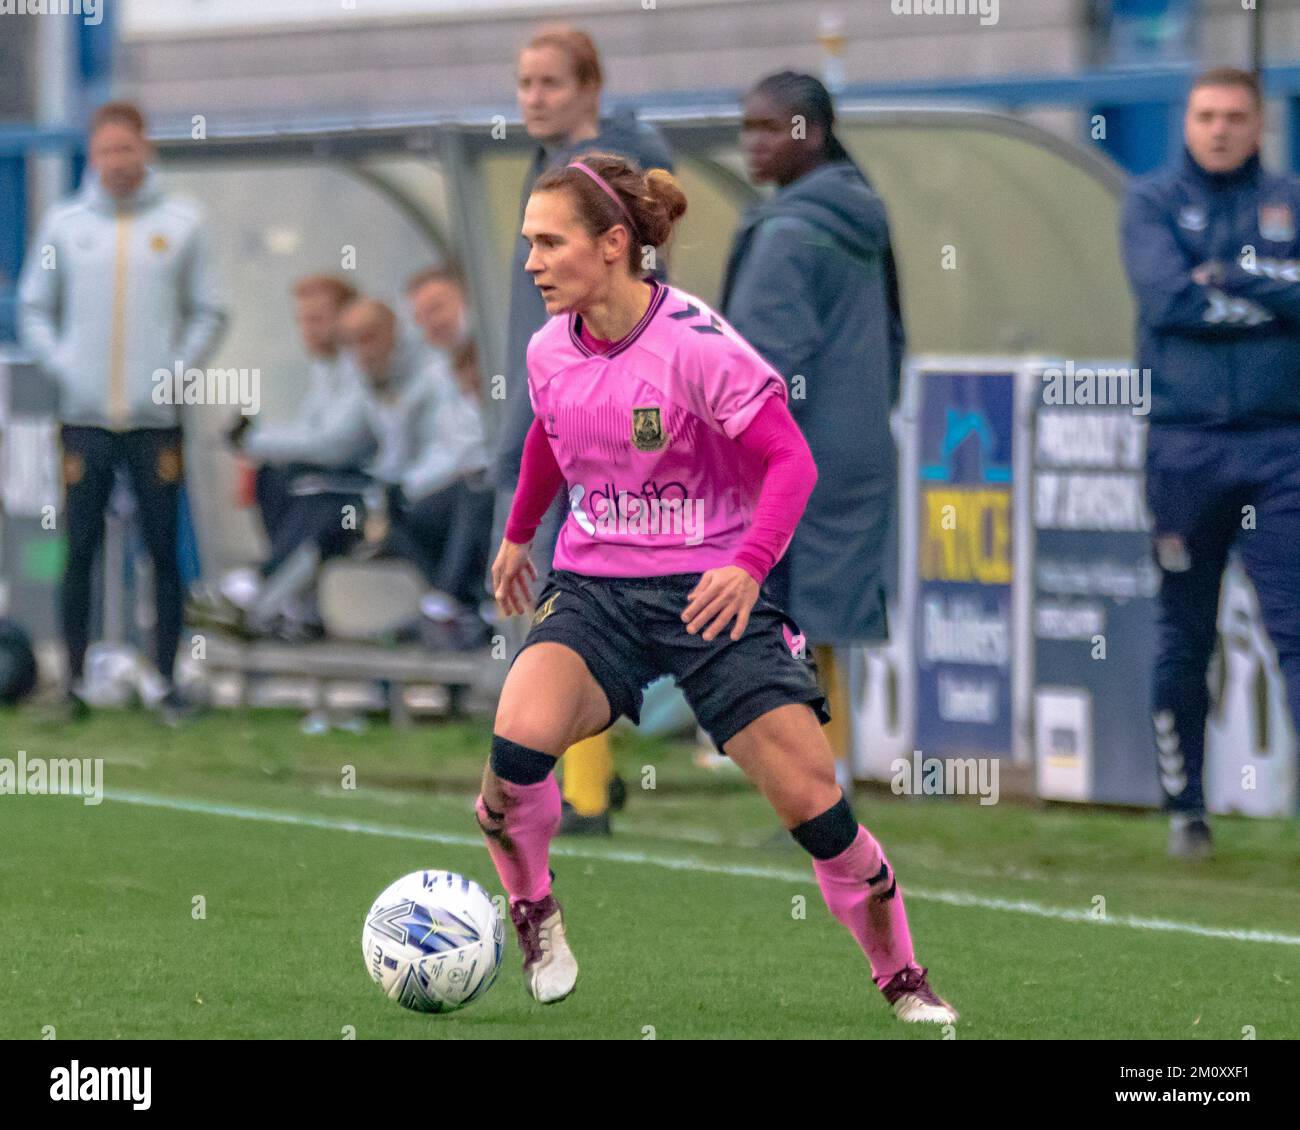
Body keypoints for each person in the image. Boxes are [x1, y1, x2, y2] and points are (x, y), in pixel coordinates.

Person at [477, 151, 956, 1024]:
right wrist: (517, 536)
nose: (532, 262)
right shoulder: (550, 348)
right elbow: (551, 434)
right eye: (528, 244)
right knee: (513, 753)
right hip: (599, 593)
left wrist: (746, 565)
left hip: (711, 595)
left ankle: (903, 977)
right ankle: (535, 909)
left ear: (614, 243)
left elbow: (790, 460)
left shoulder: (697, 345)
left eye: (549, 243)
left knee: (816, 810)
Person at [489, 25, 675, 835]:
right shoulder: (551, 172)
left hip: (600, 422)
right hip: (553, 411)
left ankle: (587, 797)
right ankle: (581, 789)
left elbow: (636, 303)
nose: (533, 97)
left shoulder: (612, 174)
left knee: (589, 601)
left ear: (590, 90)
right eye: (525, 83)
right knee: (571, 599)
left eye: (551, 84)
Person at [1120, 66, 1300, 859]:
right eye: (1205, 115)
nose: (1220, 128)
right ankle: (1185, 806)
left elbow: (1204, 301)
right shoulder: (1151, 202)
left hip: (1281, 448)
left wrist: (1227, 280)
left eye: (1235, 116)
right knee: (1183, 633)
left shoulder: (1290, 201)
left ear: (1259, 126)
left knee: (1293, 630)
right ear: (1185, 123)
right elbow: (1167, 302)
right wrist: (1272, 295)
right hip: (1185, 451)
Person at [720, 72, 905, 783]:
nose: (753, 145)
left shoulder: (789, 232)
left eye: (770, 129)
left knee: (789, 623)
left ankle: (814, 792)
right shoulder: (863, 218)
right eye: (748, 129)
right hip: (858, 445)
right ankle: (836, 780)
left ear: (812, 133)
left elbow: (761, 367)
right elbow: (894, 338)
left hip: (794, 455)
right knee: (829, 622)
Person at [18, 100, 227, 725]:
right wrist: (63, 366)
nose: (115, 162)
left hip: (155, 420)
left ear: (146, 150)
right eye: (105, 151)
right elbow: (34, 307)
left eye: (125, 149)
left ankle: (166, 681)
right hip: (82, 418)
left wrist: (175, 373)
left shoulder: (182, 224)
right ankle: (74, 680)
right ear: (93, 154)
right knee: (77, 549)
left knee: (163, 550)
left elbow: (209, 310)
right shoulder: (65, 225)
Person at [221, 274, 372, 626]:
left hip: (366, 492)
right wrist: (258, 444)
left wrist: (254, 441)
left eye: (317, 319)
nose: (308, 329)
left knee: (309, 489)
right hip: (334, 487)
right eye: (303, 320)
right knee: (272, 475)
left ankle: (266, 587)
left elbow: (337, 445)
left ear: (345, 320)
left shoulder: (362, 364)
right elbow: (309, 432)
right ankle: (293, 603)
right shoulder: (326, 368)